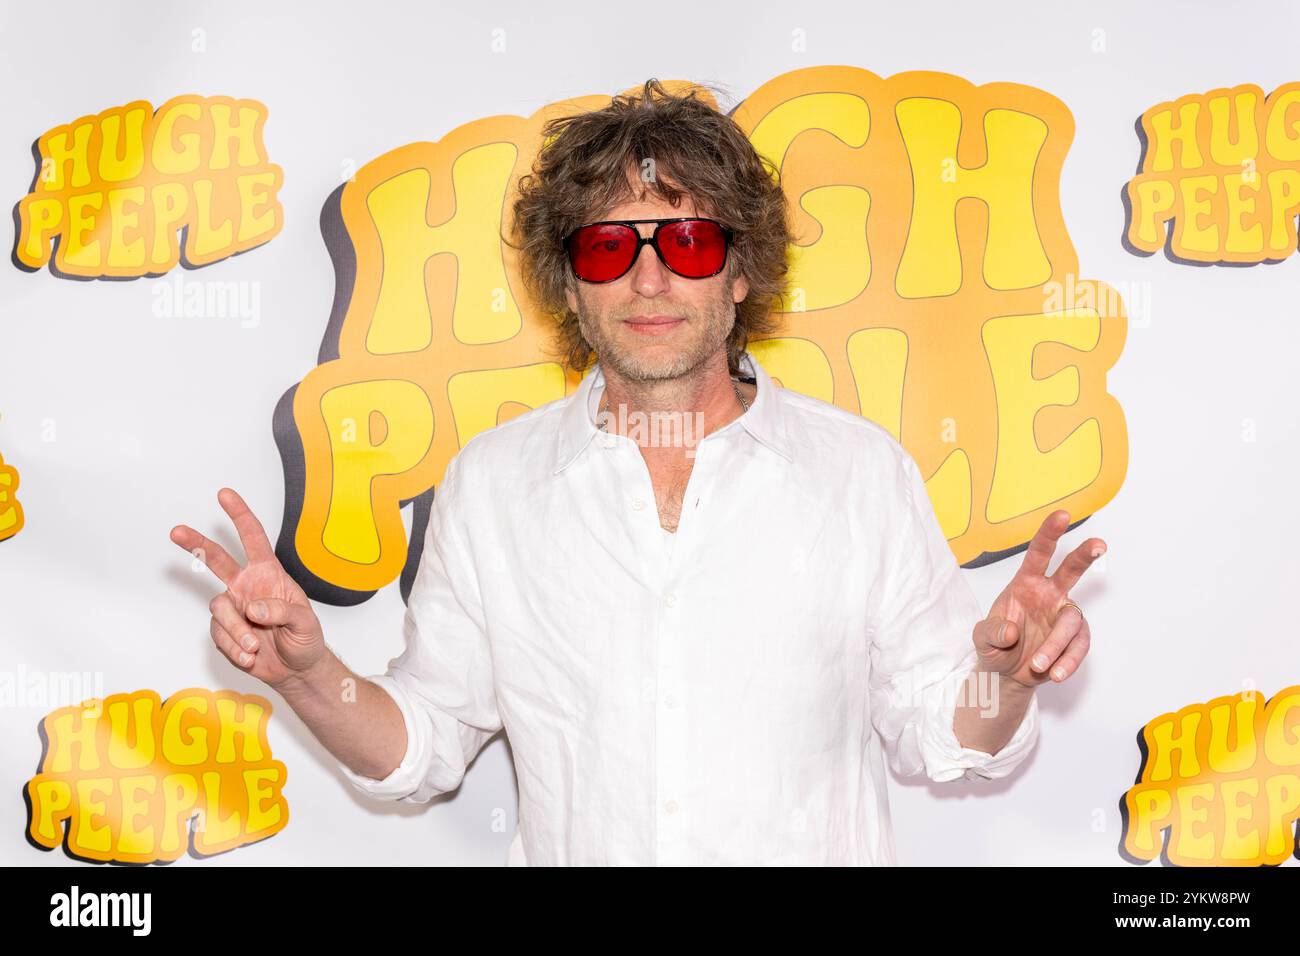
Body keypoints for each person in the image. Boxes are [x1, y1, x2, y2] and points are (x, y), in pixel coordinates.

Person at [169, 78, 1104, 865]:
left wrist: (1009, 681)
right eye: (610, 247)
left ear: (741, 273)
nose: (649, 281)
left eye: (688, 243)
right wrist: (307, 674)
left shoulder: (859, 477)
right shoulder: (492, 488)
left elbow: (947, 736)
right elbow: (423, 748)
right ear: (570, 284)